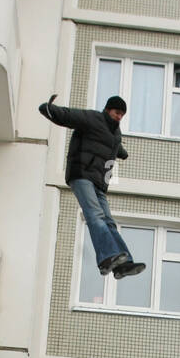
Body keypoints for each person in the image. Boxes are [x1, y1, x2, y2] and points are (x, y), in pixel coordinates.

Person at [38, 92, 146, 279]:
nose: (119, 116)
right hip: (81, 175)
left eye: (122, 114)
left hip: (99, 183)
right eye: (116, 112)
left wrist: (122, 152)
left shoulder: (116, 132)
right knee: (95, 215)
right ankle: (107, 257)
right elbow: (68, 116)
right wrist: (49, 109)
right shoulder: (93, 118)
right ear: (107, 109)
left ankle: (123, 264)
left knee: (109, 222)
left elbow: (112, 145)